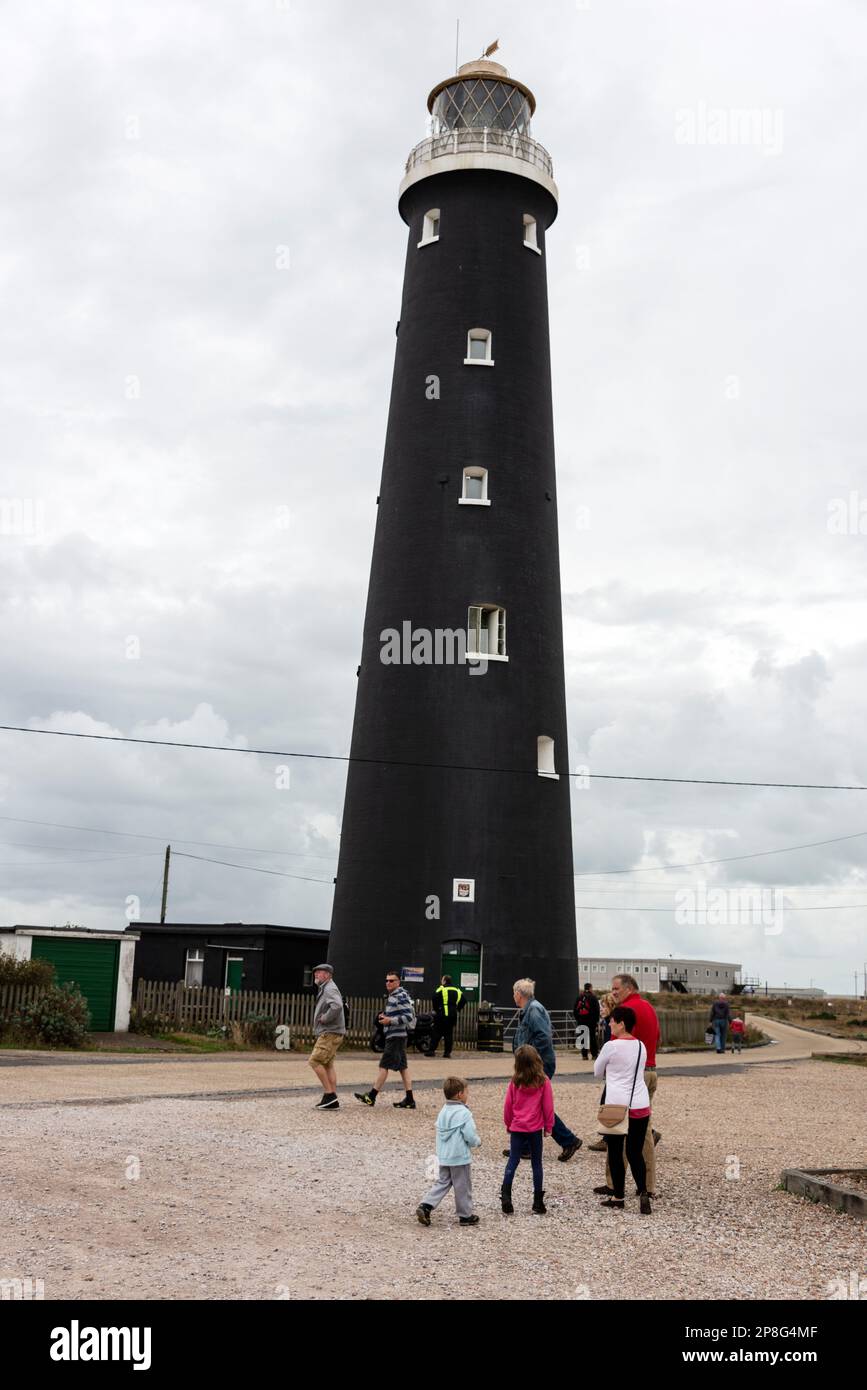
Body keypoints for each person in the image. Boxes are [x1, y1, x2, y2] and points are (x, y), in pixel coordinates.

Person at [589, 974, 661, 1197]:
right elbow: (657, 1038)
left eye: (616, 988)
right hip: (649, 1072)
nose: (613, 993)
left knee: (616, 1127)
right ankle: (647, 1185)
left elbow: (616, 1047)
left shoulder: (626, 1012)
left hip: (629, 1078)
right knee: (644, 1133)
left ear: (629, 988)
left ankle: (614, 1185)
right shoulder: (649, 1007)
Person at [503, 979, 581, 1162]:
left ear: (519, 994)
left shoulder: (534, 1010)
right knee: (533, 1102)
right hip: (535, 1062)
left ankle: (568, 1140)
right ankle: (528, 1147)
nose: (513, 996)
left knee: (536, 1102)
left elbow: (543, 1037)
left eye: (514, 992)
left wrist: (529, 1057)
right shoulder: (530, 1009)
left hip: (537, 1063)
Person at [593, 1005, 652, 1214]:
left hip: (616, 1105)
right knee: (635, 1152)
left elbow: (596, 1071)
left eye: (612, 1021)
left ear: (622, 1023)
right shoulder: (641, 1046)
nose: (609, 1024)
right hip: (640, 1103)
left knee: (616, 1152)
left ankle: (618, 1197)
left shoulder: (611, 1046)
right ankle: (643, 1193)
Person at [416, 1076, 481, 1226]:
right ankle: (465, 1215)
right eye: (466, 1092)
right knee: (462, 1185)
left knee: (443, 1182)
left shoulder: (443, 1111)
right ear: (459, 1094)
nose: (467, 1095)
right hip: (459, 1157)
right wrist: (477, 1142)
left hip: (444, 1156)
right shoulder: (464, 1113)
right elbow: (470, 1134)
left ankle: (426, 1205)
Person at [502, 1044, 554, 1215]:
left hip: (517, 1127)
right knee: (536, 1164)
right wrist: (549, 1126)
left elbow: (508, 1105)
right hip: (534, 1128)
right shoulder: (543, 1081)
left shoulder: (515, 1081)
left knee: (513, 1160)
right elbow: (548, 1106)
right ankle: (537, 1201)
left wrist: (508, 1123)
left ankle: (506, 1195)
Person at [354, 970, 416, 1108]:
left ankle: (371, 1097)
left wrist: (389, 1020)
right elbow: (399, 1014)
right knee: (403, 1068)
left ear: (398, 982)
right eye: (387, 980)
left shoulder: (400, 996)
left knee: (384, 1066)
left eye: (391, 980)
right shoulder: (394, 996)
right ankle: (410, 1099)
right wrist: (385, 1016)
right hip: (397, 1037)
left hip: (396, 1037)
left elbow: (408, 1017)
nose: (388, 983)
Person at [308, 963, 346, 1110]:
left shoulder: (329, 988)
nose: (316, 974)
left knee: (314, 1061)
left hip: (330, 1032)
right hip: (334, 1032)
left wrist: (325, 1018)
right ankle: (332, 1098)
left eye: (319, 972)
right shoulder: (327, 987)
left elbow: (337, 1006)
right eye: (315, 972)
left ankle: (329, 1095)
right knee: (328, 1065)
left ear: (327, 975)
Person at [429, 974, 463, 1059]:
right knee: (449, 1034)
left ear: (444, 981)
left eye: (442, 980)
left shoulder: (441, 989)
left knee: (436, 1032)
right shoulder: (457, 990)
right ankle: (447, 1053)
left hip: (442, 1015)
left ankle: (431, 1051)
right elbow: (464, 1000)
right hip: (452, 1015)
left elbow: (434, 998)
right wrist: (457, 1009)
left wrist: (436, 1009)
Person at [573, 981, 601, 1060]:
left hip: (581, 1020)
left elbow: (575, 1009)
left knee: (583, 1037)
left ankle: (584, 1055)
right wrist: (596, 1020)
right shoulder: (593, 997)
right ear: (590, 988)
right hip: (591, 1021)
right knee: (592, 1038)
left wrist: (578, 1019)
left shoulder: (579, 997)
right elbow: (597, 1010)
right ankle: (594, 1054)